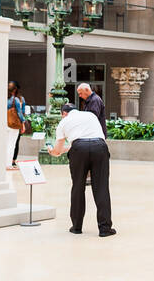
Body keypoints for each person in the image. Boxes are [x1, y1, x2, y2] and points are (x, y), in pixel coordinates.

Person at [49, 101, 115, 236]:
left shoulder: (64, 122)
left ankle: (77, 227)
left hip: (79, 148)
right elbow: (90, 138)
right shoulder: (90, 115)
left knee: (78, 187)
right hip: (99, 146)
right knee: (102, 187)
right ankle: (105, 229)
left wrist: (52, 151)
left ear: (64, 113)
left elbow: (58, 150)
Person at [6, 80, 27, 168]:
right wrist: (23, 123)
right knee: (12, 144)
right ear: (15, 89)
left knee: (5, 144)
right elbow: (19, 113)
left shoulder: (4, 98)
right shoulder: (16, 100)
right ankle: (8, 164)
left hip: (4, 124)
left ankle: (3, 163)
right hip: (13, 125)